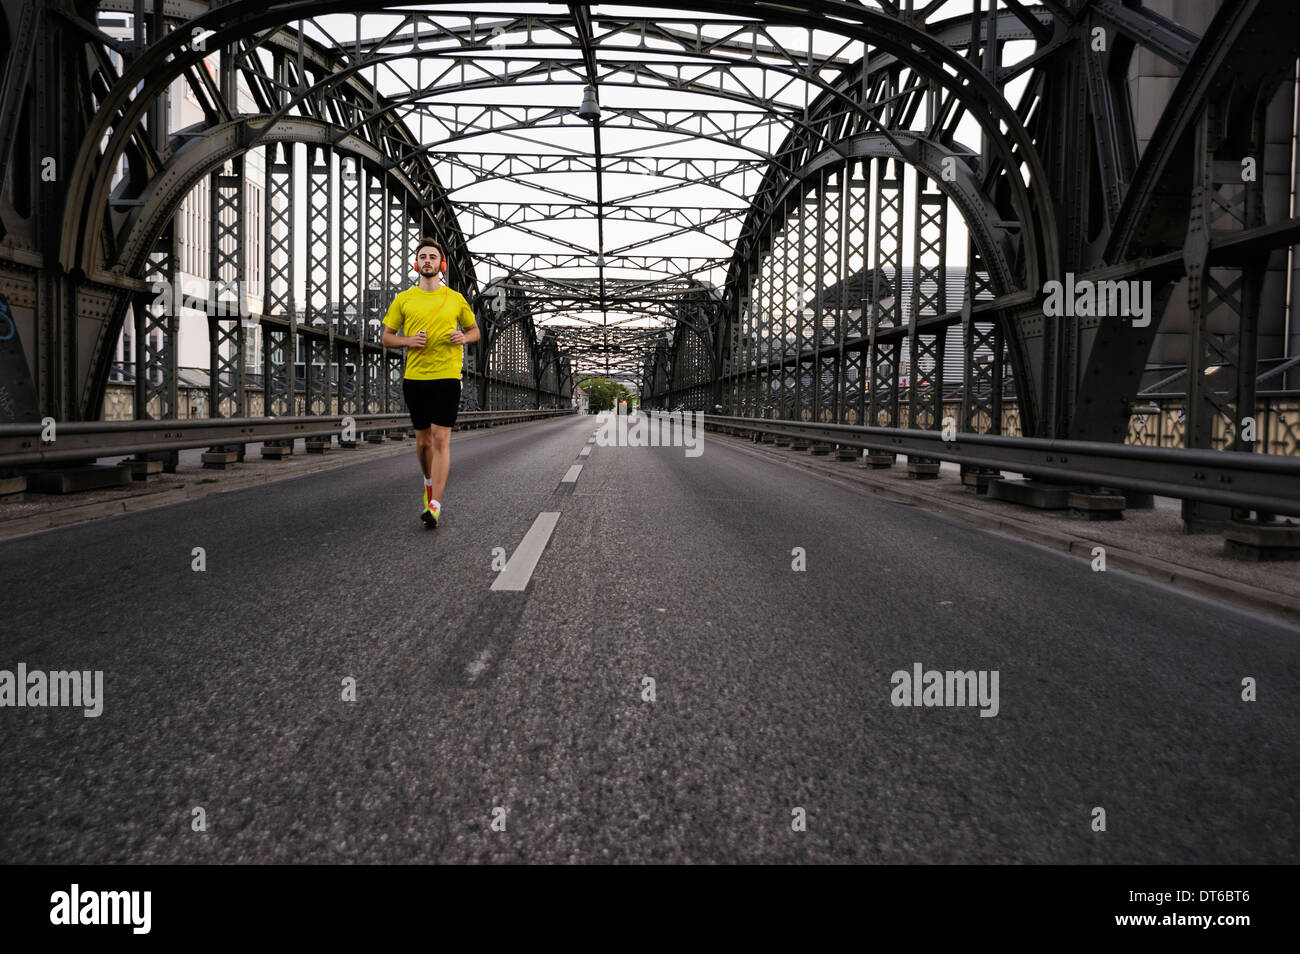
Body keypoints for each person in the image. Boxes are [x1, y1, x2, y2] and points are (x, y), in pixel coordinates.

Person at [380, 237, 480, 527]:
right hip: (415, 378)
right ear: (416, 263)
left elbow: (474, 331)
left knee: (440, 439)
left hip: (447, 377)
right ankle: (427, 481)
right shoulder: (404, 299)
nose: (427, 261)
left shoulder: (455, 299)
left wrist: (464, 336)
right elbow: (386, 337)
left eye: (432, 257)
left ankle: (435, 503)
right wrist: (408, 341)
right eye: (422, 256)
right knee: (423, 442)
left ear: (442, 264)